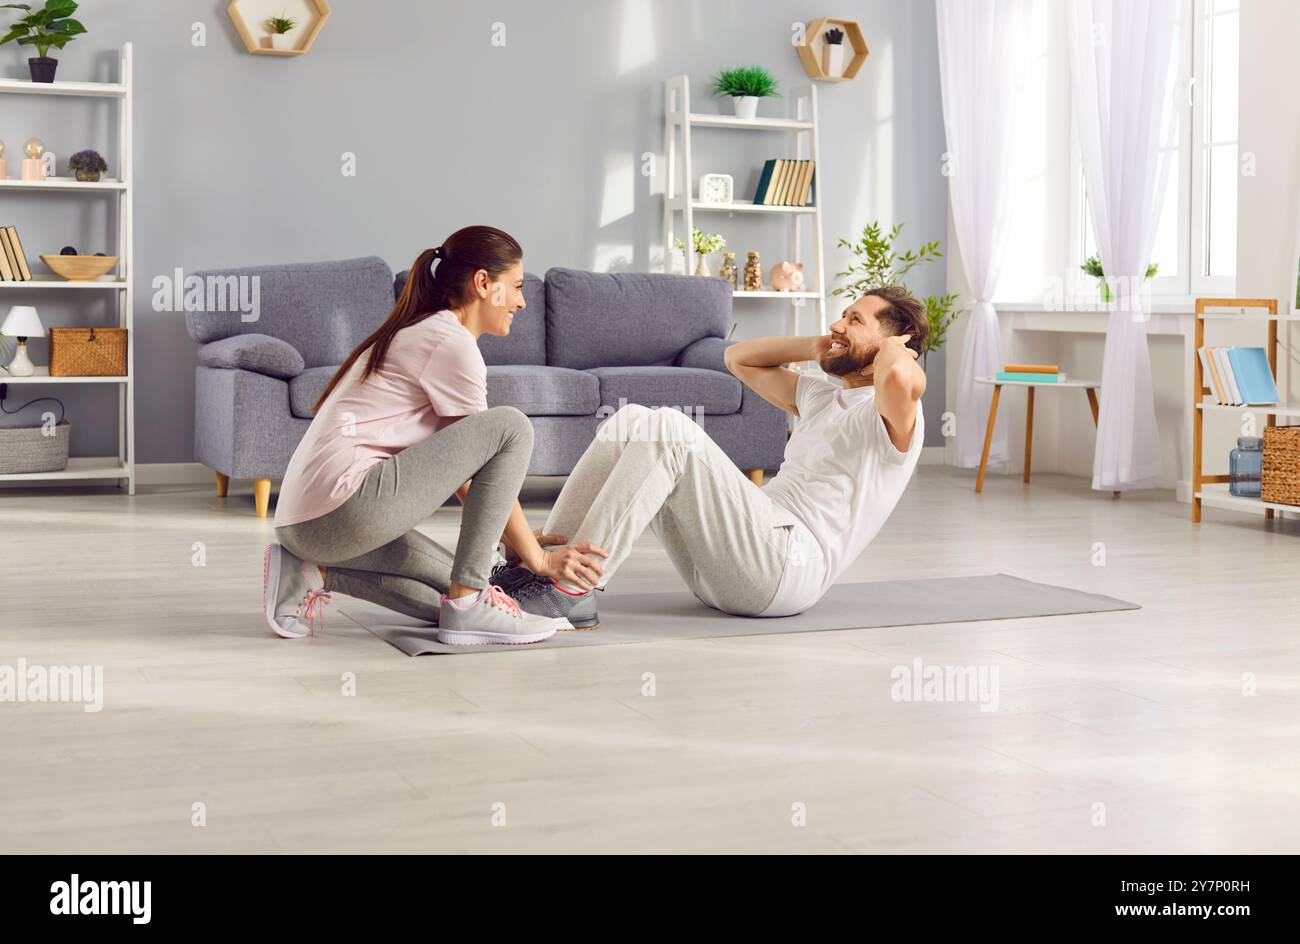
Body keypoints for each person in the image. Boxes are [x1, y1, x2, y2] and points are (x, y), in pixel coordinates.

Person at [497, 285, 928, 627]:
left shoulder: (891, 414)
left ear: (893, 343)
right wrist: (824, 343)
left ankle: (571, 590)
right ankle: (542, 569)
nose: (838, 323)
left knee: (669, 428)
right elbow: (738, 359)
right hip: (741, 557)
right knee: (630, 420)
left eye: (854, 319)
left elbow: (903, 380)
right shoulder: (821, 396)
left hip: (787, 568)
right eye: (842, 314)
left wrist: (892, 348)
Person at [262, 225, 607, 647]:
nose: (521, 301)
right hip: (342, 510)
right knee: (511, 426)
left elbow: (466, 475)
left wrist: (509, 539)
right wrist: (538, 560)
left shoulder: (425, 331)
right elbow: (484, 461)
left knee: (465, 598)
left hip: (307, 527)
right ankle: (469, 605)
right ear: (483, 283)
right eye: (516, 286)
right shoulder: (450, 342)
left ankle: (309, 572)